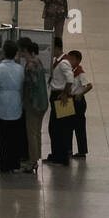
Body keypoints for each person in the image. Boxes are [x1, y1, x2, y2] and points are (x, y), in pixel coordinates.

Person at [0, 39, 27, 173]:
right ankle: (13, 163)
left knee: (3, 136)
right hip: (16, 105)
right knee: (14, 137)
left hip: (1, 106)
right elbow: (22, 89)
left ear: (4, 52)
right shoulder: (20, 69)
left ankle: (3, 163)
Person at [18, 38, 49, 174]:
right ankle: (35, 159)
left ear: (24, 50)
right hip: (42, 102)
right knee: (36, 132)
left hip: (33, 105)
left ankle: (32, 162)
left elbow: (30, 87)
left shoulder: (30, 66)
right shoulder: (38, 61)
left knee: (32, 134)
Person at [46, 37, 76, 165]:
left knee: (60, 128)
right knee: (54, 127)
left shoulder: (64, 62)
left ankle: (61, 157)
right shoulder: (56, 60)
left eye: (51, 47)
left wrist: (65, 93)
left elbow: (70, 79)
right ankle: (56, 154)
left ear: (57, 48)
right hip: (55, 95)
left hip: (60, 97)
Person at [67, 49, 93, 159]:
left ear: (78, 61)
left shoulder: (80, 73)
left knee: (79, 127)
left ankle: (82, 151)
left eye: (72, 59)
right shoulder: (70, 71)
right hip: (70, 100)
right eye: (69, 59)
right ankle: (68, 150)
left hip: (78, 102)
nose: (69, 61)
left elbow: (89, 85)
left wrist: (80, 94)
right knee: (68, 126)